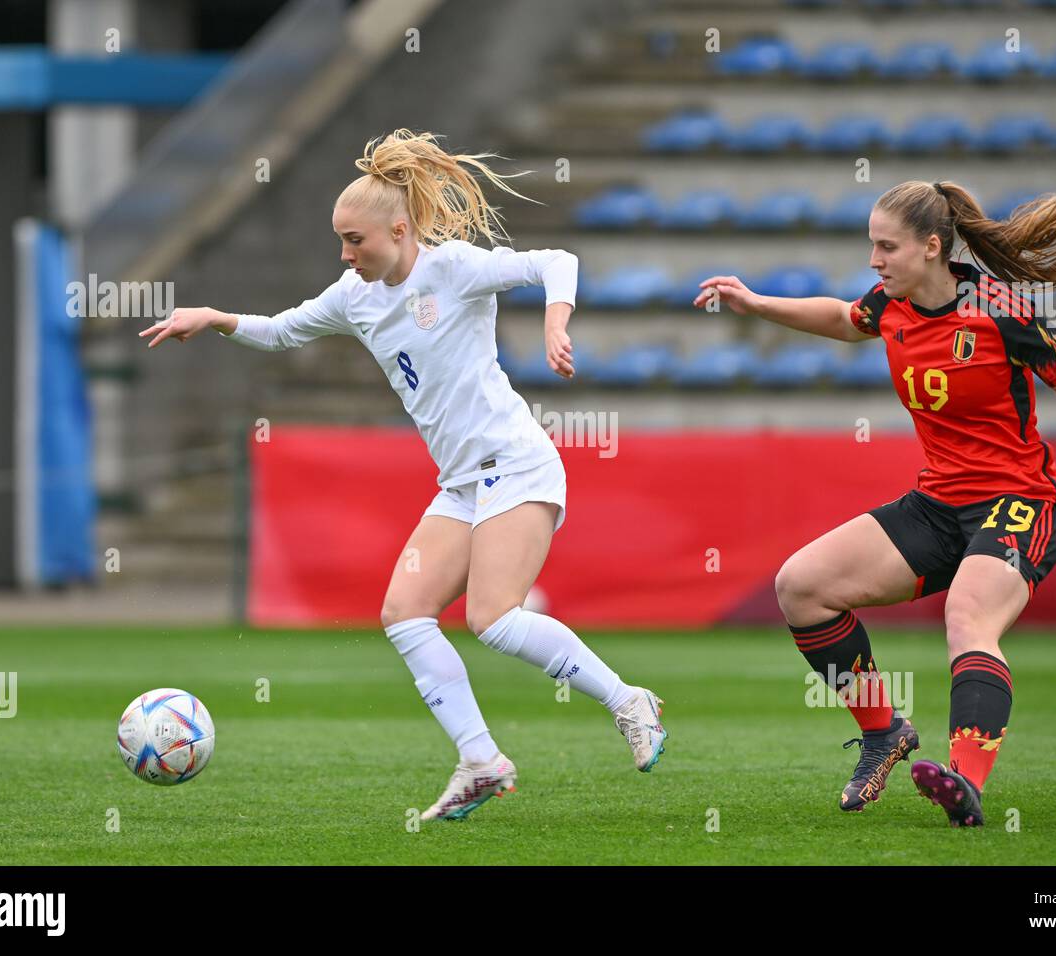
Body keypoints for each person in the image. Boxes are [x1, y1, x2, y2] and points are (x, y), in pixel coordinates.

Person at [141, 129, 667, 822]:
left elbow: (557, 260)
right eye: (340, 240)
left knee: (493, 619)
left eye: (354, 240)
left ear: (398, 229)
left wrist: (554, 324)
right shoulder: (353, 296)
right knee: (404, 613)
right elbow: (283, 330)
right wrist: (215, 319)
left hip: (516, 463)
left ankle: (630, 701)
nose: (344, 254)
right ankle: (480, 760)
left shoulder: (451, 269)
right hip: (461, 483)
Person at [694, 180, 1056, 826]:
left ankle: (965, 780)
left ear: (932, 247)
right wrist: (755, 301)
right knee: (802, 586)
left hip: (1020, 501)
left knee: (966, 616)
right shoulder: (891, 305)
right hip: (938, 504)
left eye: (887, 247)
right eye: (871, 246)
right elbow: (844, 320)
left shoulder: (1003, 311)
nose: (874, 261)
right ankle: (884, 732)